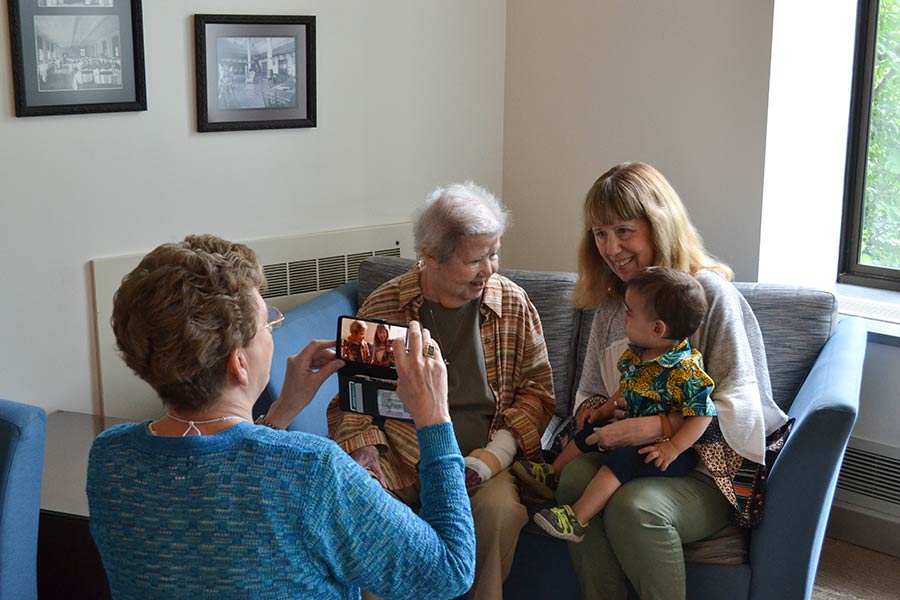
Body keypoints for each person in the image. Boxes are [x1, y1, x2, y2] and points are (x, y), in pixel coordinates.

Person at [87, 234, 475, 600]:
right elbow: (449, 571)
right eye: (267, 325)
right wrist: (434, 418)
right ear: (239, 363)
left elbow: (224, 483)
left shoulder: (109, 459)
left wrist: (280, 413)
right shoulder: (313, 470)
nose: (273, 332)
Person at [555, 162, 791, 600]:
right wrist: (604, 413)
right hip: (633, 457)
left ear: (658, 226)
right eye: (600, 234)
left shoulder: (710, 297)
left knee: (635, 507)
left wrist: (660, 426)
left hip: (706, 472)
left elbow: (746, 415)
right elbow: (587, 396)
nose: (611, 248)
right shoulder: (614, 304)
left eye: (623, 230)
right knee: (572, 484)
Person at [327, 182, 555, 600]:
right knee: (361, 506)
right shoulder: (383, 308)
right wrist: (365, 450)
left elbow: (538, 393)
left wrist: (494, 455)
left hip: (480, 462)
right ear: (430, 257)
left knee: (498, 511)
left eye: (494, 253)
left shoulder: (513, 304)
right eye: (475, 260)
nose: (489, 269)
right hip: (402, 457)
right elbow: (353, 398)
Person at [519, 267, 715, 542]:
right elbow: (624, 391)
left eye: (630, 313)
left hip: (669, 453)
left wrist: (673, 447)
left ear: (657, 328)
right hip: (631, 431)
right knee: (590, 429)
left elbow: (703, 414)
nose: (624, 319)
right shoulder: (637, 355)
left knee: (622, 462)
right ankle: (552, 474)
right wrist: (601, 411)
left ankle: (577, 518)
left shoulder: (684, 369)